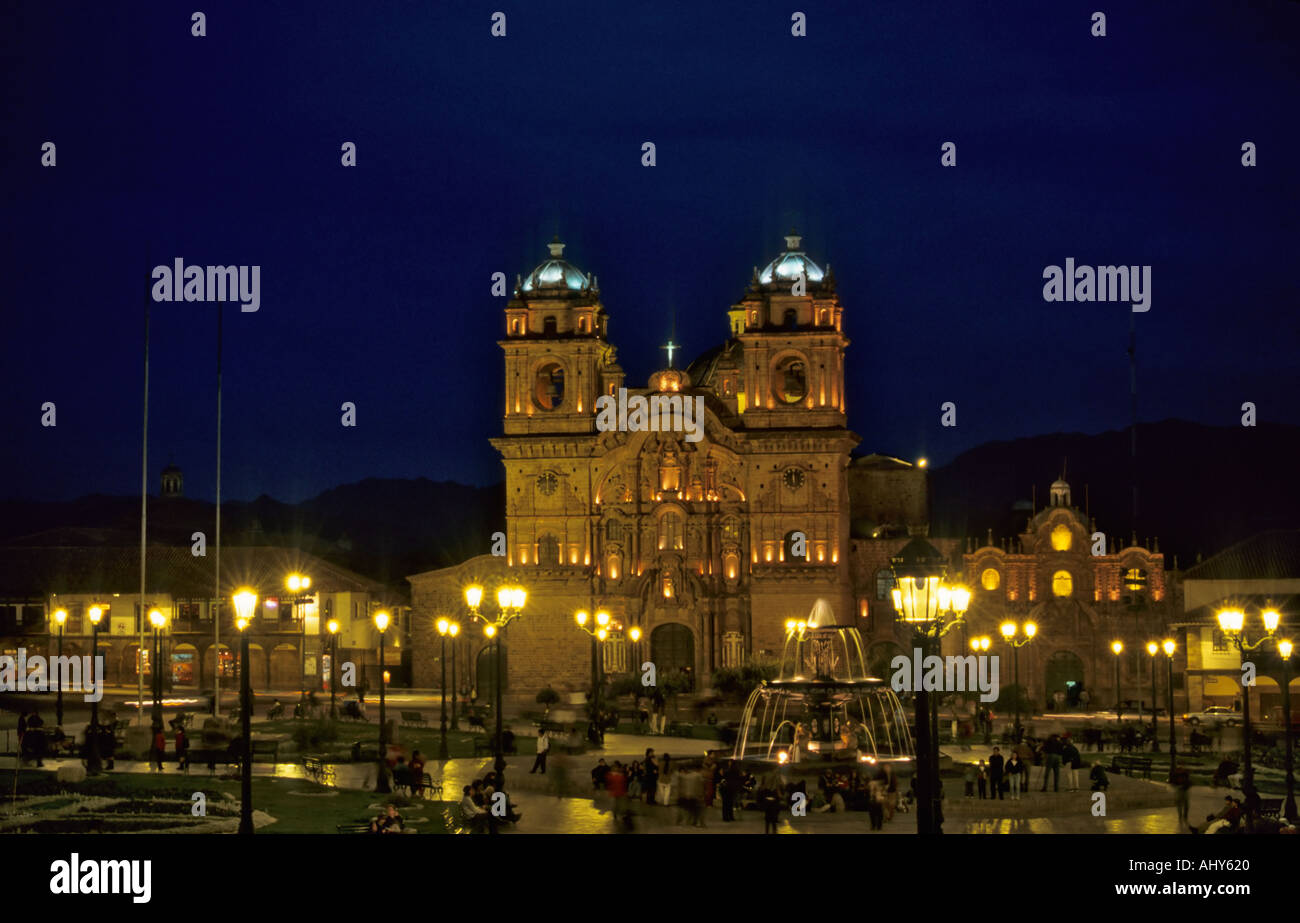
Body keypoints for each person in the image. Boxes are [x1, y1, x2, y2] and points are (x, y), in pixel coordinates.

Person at [1171, 763, 1191, 828]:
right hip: (1179, 790)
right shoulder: (1175, 775)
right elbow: (1173, 782)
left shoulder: (1185, 774)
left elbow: (1188, 782)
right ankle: (1180, 816)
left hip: (1184, 790)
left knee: (1186, 805)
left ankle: (1185, 816)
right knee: (1179, 804)